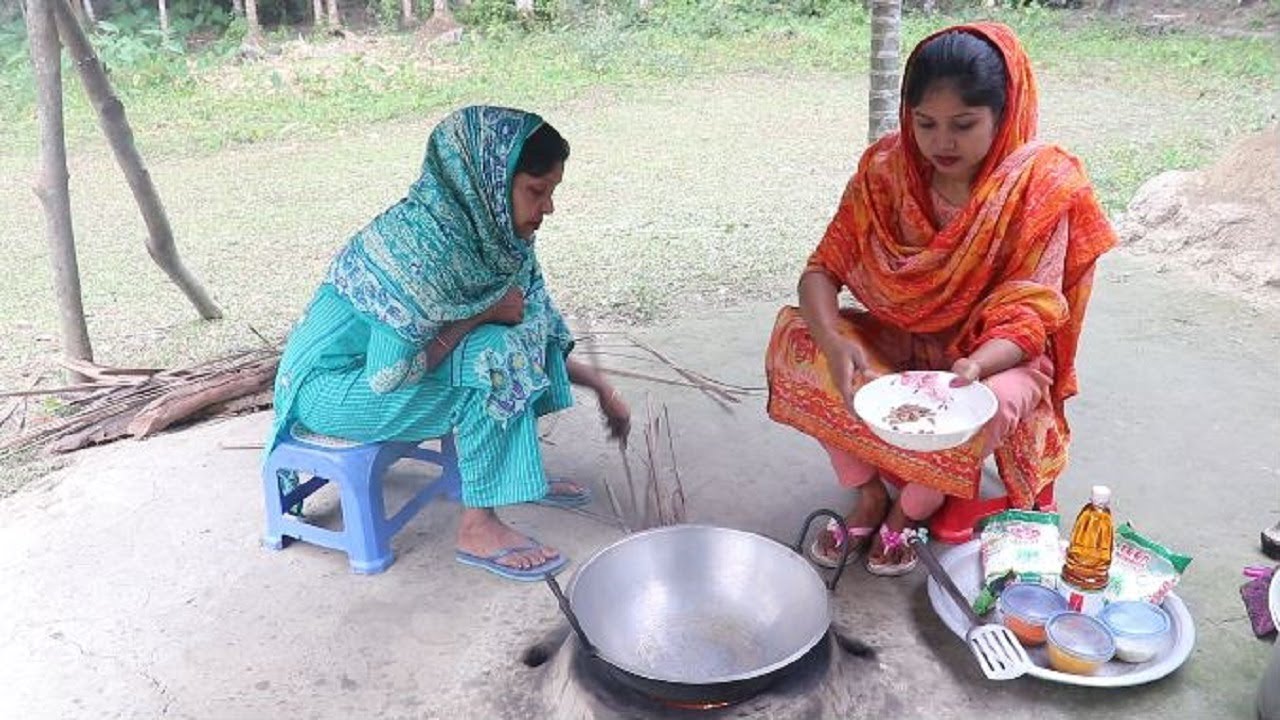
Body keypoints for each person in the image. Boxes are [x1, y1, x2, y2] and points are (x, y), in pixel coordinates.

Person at [765, 23, 1116, 576]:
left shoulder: (1038, 187)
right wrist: (834, 341)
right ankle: (870, 495)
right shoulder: (886, 172)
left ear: (1004, 114)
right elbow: (821, 270)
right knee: (801, 341)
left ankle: (907, 513)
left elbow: (1031, 316)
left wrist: (976, 364)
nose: (941, 143)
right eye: (925, 123)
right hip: (902, 340)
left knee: (983, 404)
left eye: (963, 125)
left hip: (995, 356)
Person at [268, 106, 631, 581]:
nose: (548, 209)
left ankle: (512, 473)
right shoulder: (418, 251)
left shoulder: (494, 235)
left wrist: (601, 387)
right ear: (488, 183)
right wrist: (483, 313)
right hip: (329, 387)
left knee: (519, 332)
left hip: (378, 373)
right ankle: (478, 527)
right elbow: (392, 375)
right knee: (492, 360)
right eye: (536, 192)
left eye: (552, 192)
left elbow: (539, 325)